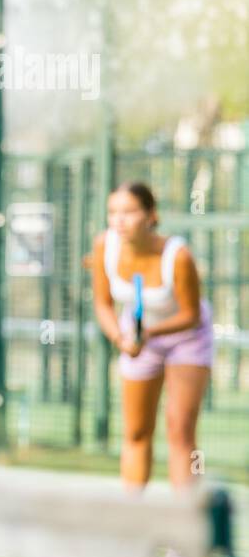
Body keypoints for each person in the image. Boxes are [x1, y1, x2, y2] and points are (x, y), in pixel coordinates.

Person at [91, 181, 213, 489]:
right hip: (136, 337)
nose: (119, 220)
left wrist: (149, 333)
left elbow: (191, 314)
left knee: (180, 429)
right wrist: (121, 339)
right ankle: (134, 523)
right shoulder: (104, 246)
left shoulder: (179, 256)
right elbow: (103, 304)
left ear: (150, 215)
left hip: (187, 337)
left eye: (129, 211)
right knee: (135, 432)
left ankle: (186, 525)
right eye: (112, 212)